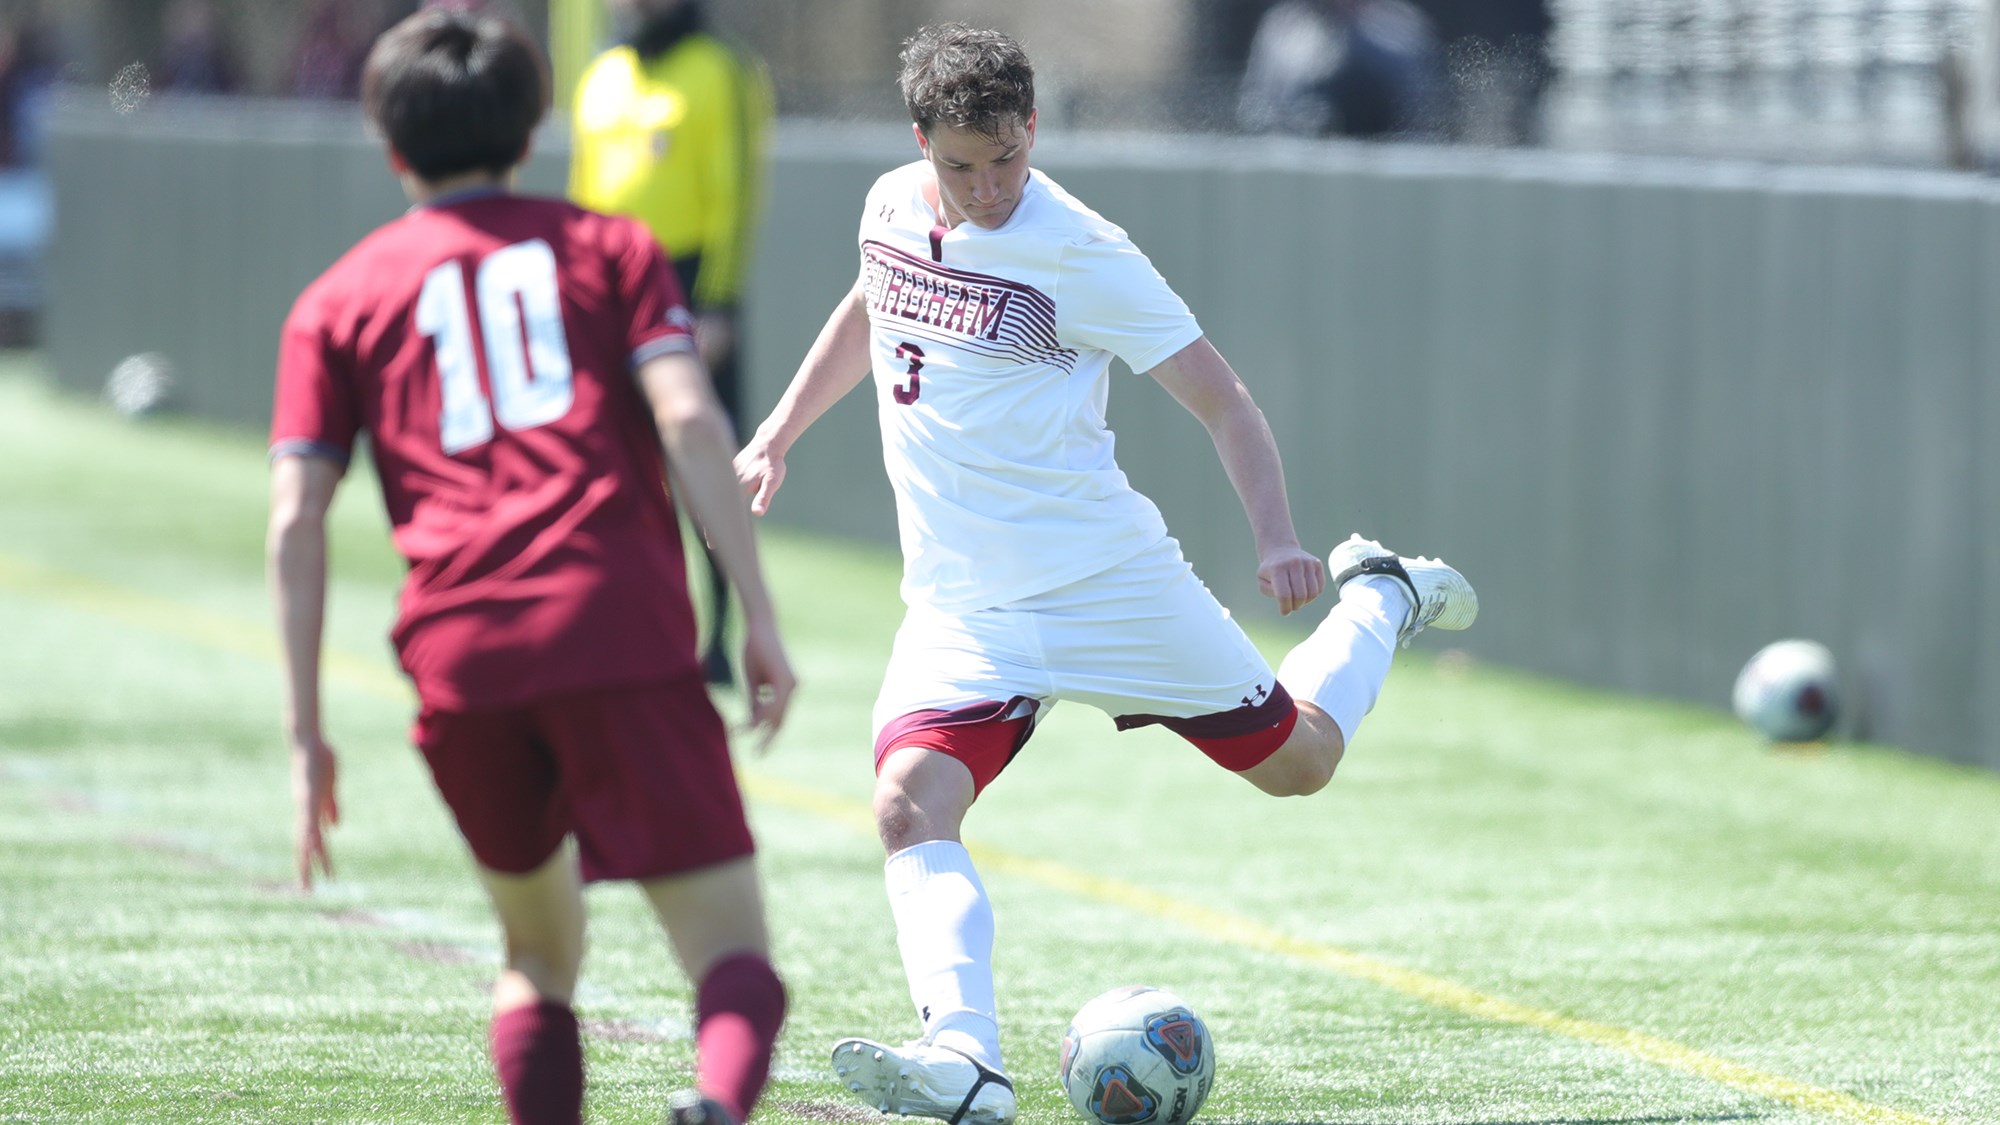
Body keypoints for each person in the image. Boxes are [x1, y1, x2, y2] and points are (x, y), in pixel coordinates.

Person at [733, 22, 1476, 1125]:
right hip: (966, 611)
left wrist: (1278, 537)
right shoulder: (888, 204)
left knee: (1301, 765)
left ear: (1033, 129)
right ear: (921, 143)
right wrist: (779, 430)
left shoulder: (1082, 250)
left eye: (1007, 159)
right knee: (906, 803)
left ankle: (1380, 594)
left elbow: (1223, 400)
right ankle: (966, 1059)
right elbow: (870, 301)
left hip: (1108, 587)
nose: (989, 188)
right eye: (963, 166)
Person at [266, 11, 794, 1125]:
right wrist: (754, 611)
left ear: (389, 143)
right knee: (734, 960)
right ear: (532, 126)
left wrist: (306, 731)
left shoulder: (334, 299)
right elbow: (690, 420)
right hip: (616, 624)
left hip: (463, 658)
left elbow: (295, 519)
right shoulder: (611, 248)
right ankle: (715, 1104)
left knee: (538, 959)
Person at [570, 0, 775, 686]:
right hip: (605, 294)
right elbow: (581, 198)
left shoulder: (720, 70)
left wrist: (720, 301)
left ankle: (719, 634)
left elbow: (735, 191)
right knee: (613, 466)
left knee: (704, 461)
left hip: (687, 286)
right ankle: (627, 627)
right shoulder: (601, 75)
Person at [1235, 0, 1444, 139]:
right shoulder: (1281, 30)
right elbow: (1256, 112)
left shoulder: (1404, 31)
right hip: (1298, 169)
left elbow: (1424, 119)